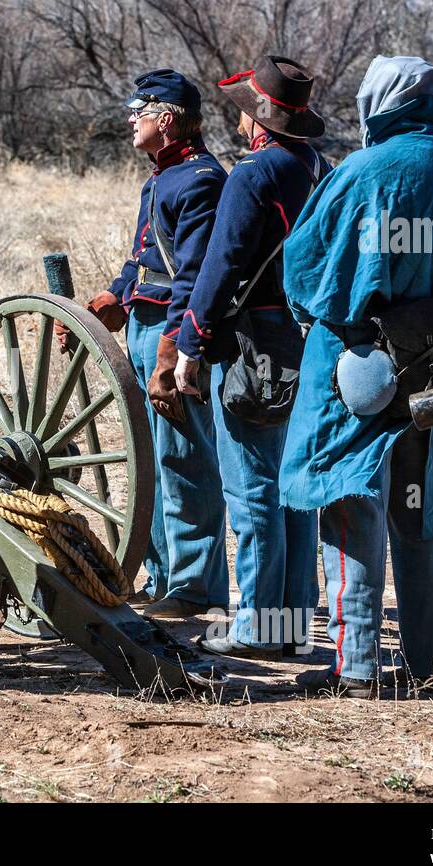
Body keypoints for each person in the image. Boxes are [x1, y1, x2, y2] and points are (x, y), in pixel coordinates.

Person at [278, 56, 433, 697]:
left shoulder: (362, 171)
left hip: (358, 367)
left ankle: (356, 668)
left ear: (382, 102)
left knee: (348, 503)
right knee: (420, 508)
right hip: (429, 371)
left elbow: (306, 265)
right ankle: (432, 668)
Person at [174, 57, 327, 660]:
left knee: (251, 487)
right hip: (306, 339)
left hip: (253, 345)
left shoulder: (254, 173)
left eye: (244, 109)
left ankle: (260, 626)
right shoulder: (318, 167)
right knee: (292, 486)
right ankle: (292, 625)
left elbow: (222, 266)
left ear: (256, 118)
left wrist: (190, 343)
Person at [74, 69, 228, 620]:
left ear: (164, 118)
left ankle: (195, 586)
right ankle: (163, 576)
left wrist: (174, 348)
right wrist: (114, 296)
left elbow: (195, 276)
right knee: (151, 457)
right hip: (144, 323)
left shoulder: (201, 179)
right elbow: (145, 258)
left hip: (171, 333)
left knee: (183, 456)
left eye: (137, 112)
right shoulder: (161, 177)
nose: (129, 121)